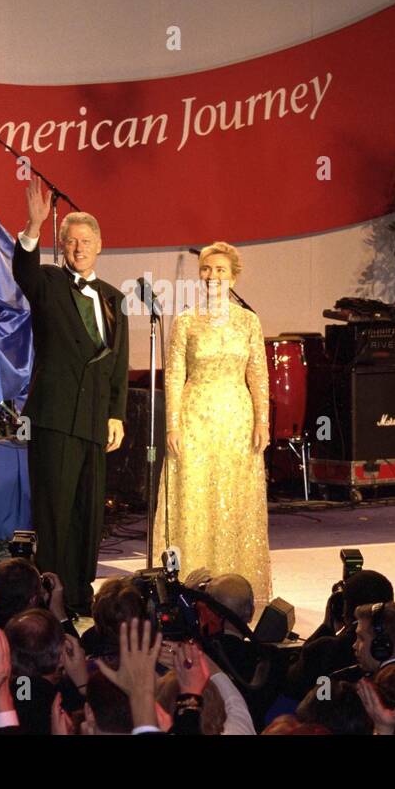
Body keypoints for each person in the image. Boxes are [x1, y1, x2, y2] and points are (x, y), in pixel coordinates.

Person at [13, 179, 129, 616]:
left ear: (100, 245)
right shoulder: (46, 283)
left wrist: (116, 415)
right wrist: (33, 226)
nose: (79, 249)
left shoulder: (114, 299)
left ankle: (80, 594)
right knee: (55, 513)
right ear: (62, 247)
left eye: (86, 242)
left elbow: (117, 363)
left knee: (87, 513)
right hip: (55, 417)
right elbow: (21, 270)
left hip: (95, 422)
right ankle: (50, 596)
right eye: (71, 242)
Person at [154, 241, 271, 604]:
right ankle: (189, 584)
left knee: (233, 498)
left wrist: (262, 422)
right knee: (196, 497)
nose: (212, 276)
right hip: (195, 418)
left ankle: (236, 586)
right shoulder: (187, 320)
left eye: (220, 270)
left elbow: (259, 376)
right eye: (206, 269)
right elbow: (173, 376)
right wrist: (172, 425)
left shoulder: (248, 320)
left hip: (237, 419)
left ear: (234, 276)